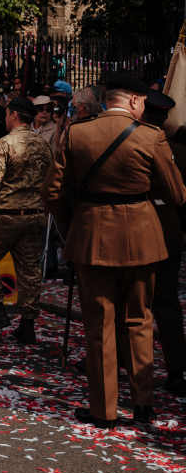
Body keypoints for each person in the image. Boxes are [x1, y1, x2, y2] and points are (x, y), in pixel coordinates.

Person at [47, 73, 186, 428]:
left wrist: (72, 228)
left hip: (92, 235)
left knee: (100, 325)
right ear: (137, 101)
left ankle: (104, 410)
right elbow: (177, 195)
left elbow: (54, 193)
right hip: (142, 238)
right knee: (140, 320)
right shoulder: (151, 136)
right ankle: (143, 404)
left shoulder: (77, 133)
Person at [0, 96, 53, 340]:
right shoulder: (42, 144)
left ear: (14, 115)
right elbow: (52, 180)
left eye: (7, 114)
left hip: (7, 215)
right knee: (29, 269)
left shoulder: (3, 144)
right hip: (36, 214)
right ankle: (27, 324)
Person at [140, 91, 186, 395]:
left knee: (131, 300)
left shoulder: (135, 141)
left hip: (138, 230)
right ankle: (176, 370)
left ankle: (122, 360)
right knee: (166, 303)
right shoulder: (179, 149)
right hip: (169, 232)